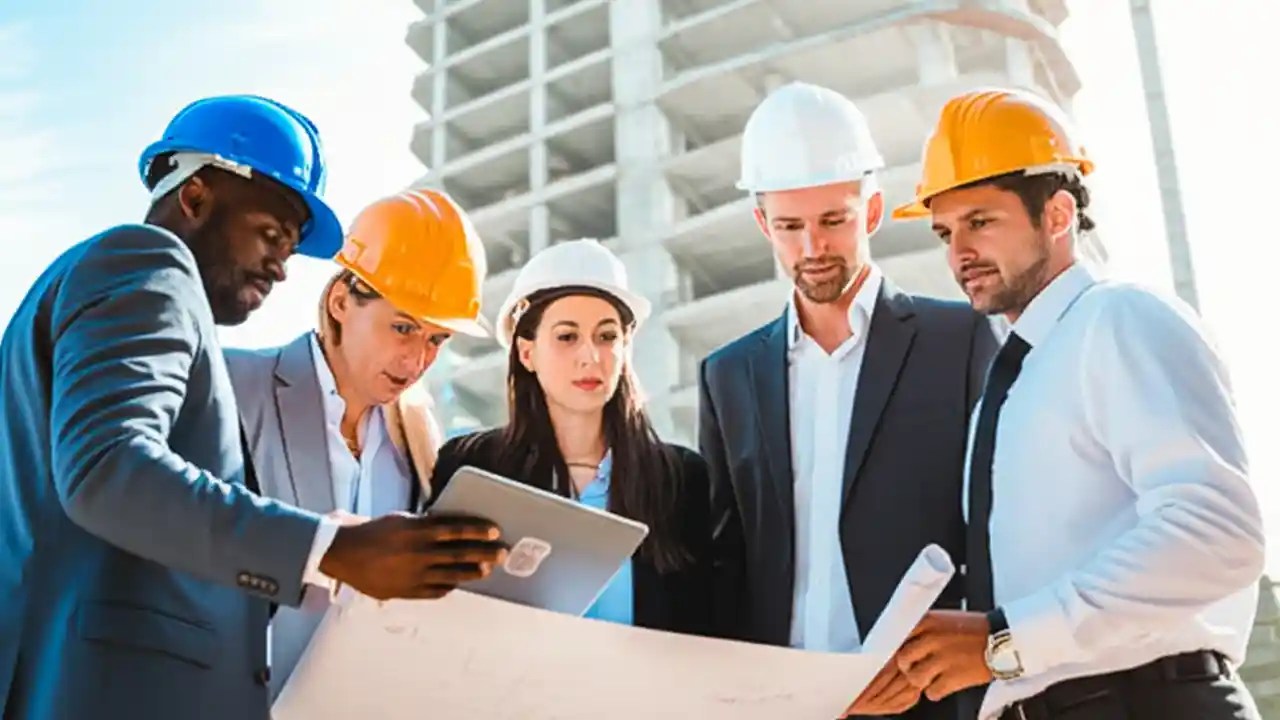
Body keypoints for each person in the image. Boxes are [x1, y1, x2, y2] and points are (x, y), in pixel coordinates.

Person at [0, 95, 507, 720]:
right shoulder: (145, 263)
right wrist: (332, 549)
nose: (282, 267)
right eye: (271, 234)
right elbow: (109, 469)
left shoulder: (121, 297)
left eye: (291, 247)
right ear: (196, 196)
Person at [890, 88, 1265, 720]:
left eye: (981, 222)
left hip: (1148, 702)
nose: (959, 253)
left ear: (1058, 216)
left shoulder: (1119, 318)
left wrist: (1004, 641)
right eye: (945, 232)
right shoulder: (1011, 384)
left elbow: (1217, 533)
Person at [698, 81, 998, 718]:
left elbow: (1000, 531)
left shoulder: (963, 340)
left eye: (833, 220)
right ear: (762, 224)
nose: (812, 248)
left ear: (872, 210)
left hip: (927, 699)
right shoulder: (727, 376)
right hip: (785, 704)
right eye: (789, 226)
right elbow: (726, 563)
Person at [225, 187, 491, 699]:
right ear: (342, 301)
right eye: (403, 328)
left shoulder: (419, 450)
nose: (417, 361)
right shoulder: (234, 386)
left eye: (437, 340)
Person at [429, 238, 723, 635]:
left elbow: (708, 624)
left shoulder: (681, 479)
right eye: (567, 337)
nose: (591, 356)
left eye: (607, 337)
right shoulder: (471, 468)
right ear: (526, 353)